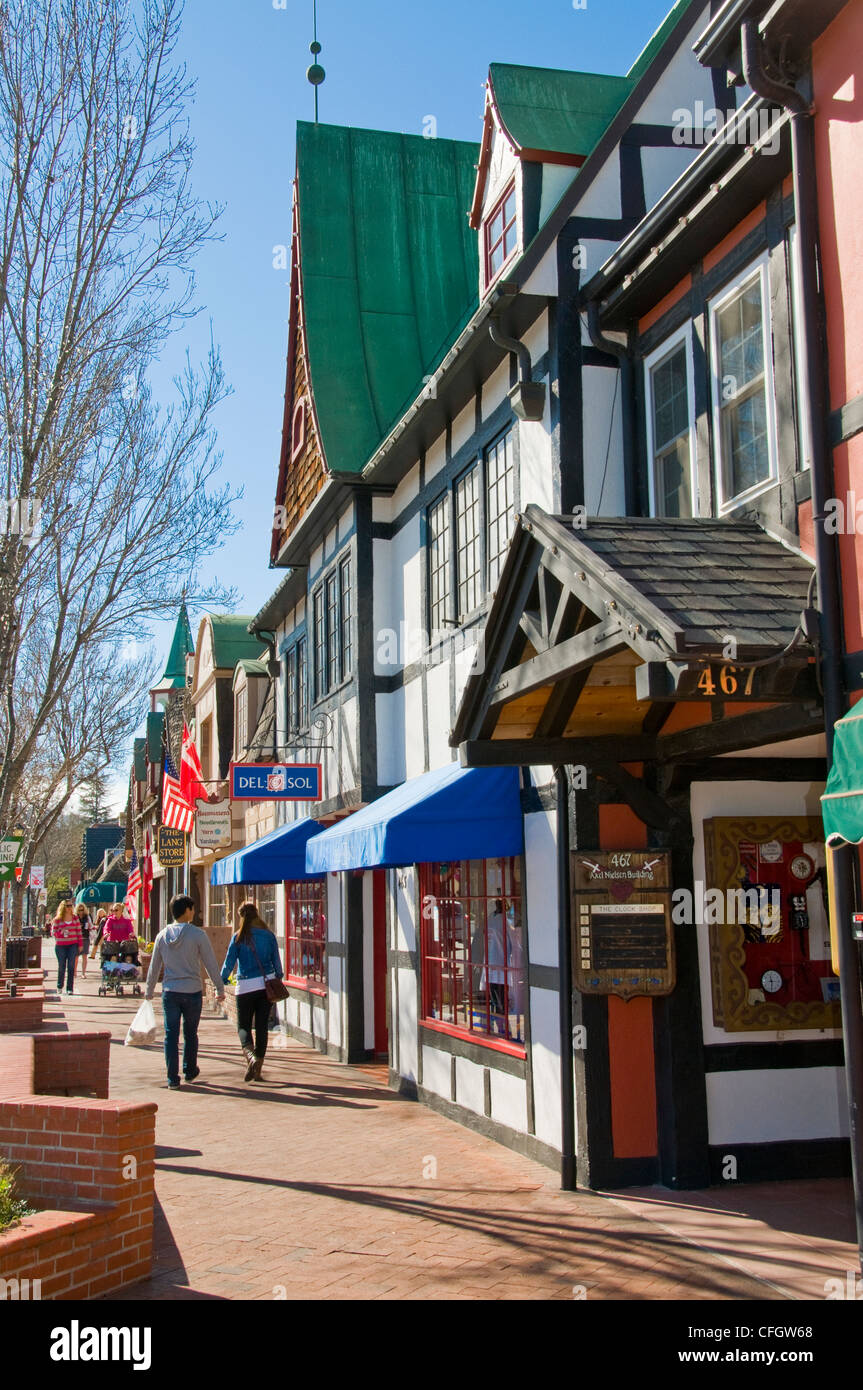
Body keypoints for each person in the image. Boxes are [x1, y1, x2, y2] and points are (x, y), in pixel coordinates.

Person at [146, 894, 225, 1090]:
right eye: (192, 908)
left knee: (170, 1035)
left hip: (170, 991)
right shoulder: (198, 935)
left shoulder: (162, 936)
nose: (194, 911)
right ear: (187, 910)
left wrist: (148, 991)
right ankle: (189, 1070)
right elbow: (210, 963)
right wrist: (219, 987)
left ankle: (173, 1078)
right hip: (192, 991)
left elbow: (154, 967)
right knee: (191, 1033)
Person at [221, 901, 283, 1083]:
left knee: (244, 1026)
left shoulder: (238, 937)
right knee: (262, 1026)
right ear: (257, 914)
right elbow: (277, 962)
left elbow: (229, 962)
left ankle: (250, 1056)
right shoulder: (268, 936)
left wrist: (222, 980)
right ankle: (258, 1068)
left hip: (245, 986)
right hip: (266, 986)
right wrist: (278, 976)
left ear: (242, 917)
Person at [52, 900, 83, 995]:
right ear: (63, 907)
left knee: (71, 966)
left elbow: (79, 932)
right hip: (61, 945)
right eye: (67, 906)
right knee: (61, 966)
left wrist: (80, 944)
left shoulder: (75, 918)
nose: (69, 907)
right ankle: (59, 986)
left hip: (72, 945)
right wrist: (60, 931)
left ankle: (70, 988)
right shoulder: (58, 919)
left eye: (71, 905)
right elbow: (53, 932)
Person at [75, 903, 93, 979]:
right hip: (76, 938)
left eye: (82, 910)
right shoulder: (75, 917)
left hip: (85, 937)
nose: (81, 912)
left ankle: (83, 973)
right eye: (79, 910)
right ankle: (74, 972)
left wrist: (89, 926)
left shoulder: (87, 917)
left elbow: (91, 926)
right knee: (75, 956)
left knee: (84, 956)